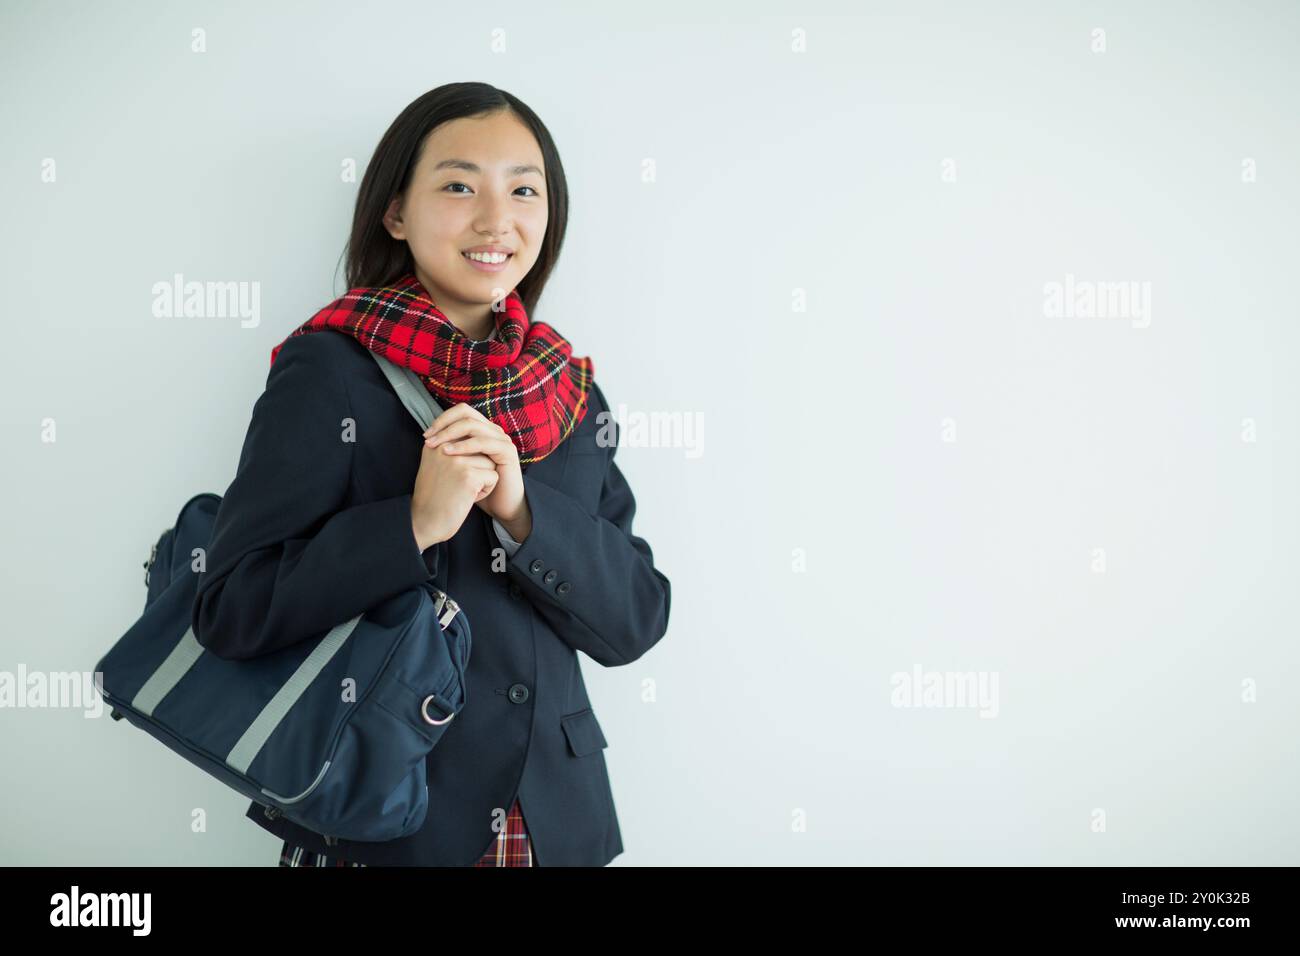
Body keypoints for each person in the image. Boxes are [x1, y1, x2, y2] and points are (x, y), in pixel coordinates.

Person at [190, 82, 672, 866]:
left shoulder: (567, 386)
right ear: (396, 213)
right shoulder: (330, 370)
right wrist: (411, 526)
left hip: (557, 824)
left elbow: (637, 619)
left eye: (523, 189)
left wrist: (522, 514)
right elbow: (232, 609)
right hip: (386, 818)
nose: (495, 220)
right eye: (458, 185)